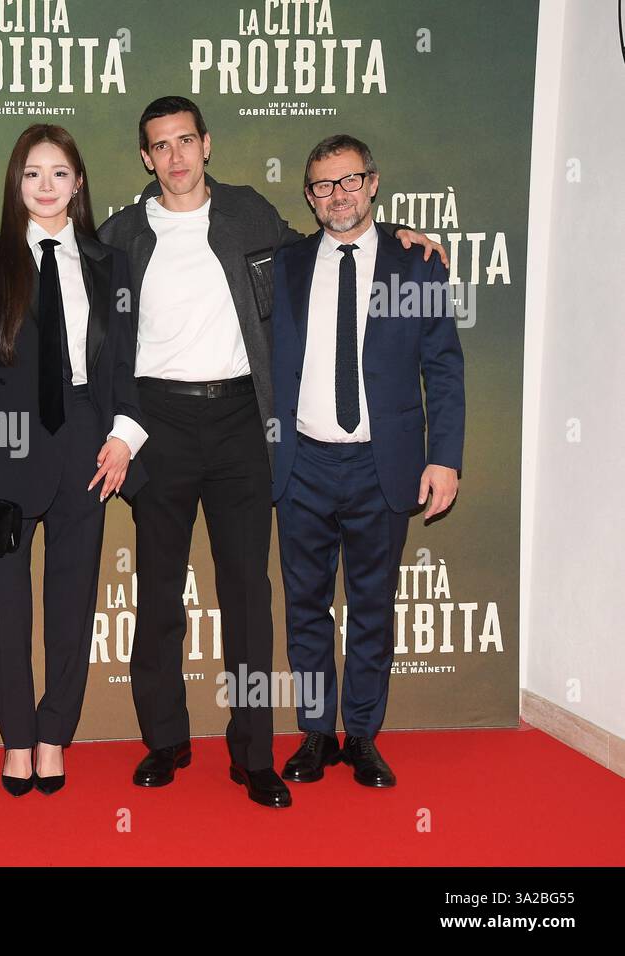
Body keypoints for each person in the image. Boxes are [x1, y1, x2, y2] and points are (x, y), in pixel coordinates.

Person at [97, 96, 446, 808]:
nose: (175, 157)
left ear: (207, 144)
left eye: (185, 141)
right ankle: (165, 741)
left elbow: (332, 241)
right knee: (160, 591)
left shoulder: (250, 212)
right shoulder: (121, 234)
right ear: (145, 157)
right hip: (156, 422)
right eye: (160, 146)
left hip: (240, 422)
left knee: (249, 596)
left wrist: (403, 235)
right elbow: (97, 336)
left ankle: (254, 753)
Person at [272, 134, 464, 788]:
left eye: (350, 181)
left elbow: (443, 369)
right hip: (302, 466)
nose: (338, 195)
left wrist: (445, 458)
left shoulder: (417, 266)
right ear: (309, 195)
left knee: (373, 606)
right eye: (324, 185)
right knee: (306, 606)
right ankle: (317, 734)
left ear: (373, 183)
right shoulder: (287, 263)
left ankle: (363, 736)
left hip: (385, 465)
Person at [0, 125, 146, 796]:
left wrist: (125, 435)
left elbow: (126, 360)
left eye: (59, 173)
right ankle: (15, 737)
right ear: (16, 184)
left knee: (72, 598)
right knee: (6, 602)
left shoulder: (108, 263)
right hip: (3, 445)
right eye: (32, 173)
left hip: (86, 447)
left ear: (78, 183)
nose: (45, 186)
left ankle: (52, 734)